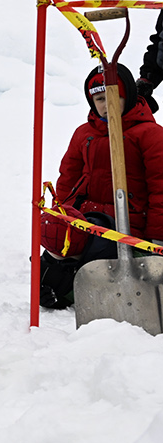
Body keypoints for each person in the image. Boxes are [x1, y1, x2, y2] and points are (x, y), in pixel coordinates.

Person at [40, 63, 163, 308]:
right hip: (87, 219)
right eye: (99, 99)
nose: (107, 105)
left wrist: (157, 237)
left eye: (114, 97)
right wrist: (61, 216)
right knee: (54, 240)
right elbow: (67, 179)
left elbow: (160, 188)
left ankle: (76, 286)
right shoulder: (84, 133)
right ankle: (58, 282)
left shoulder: (150, 135)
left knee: (95, 253)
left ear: (128, 96)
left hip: (129, 224)